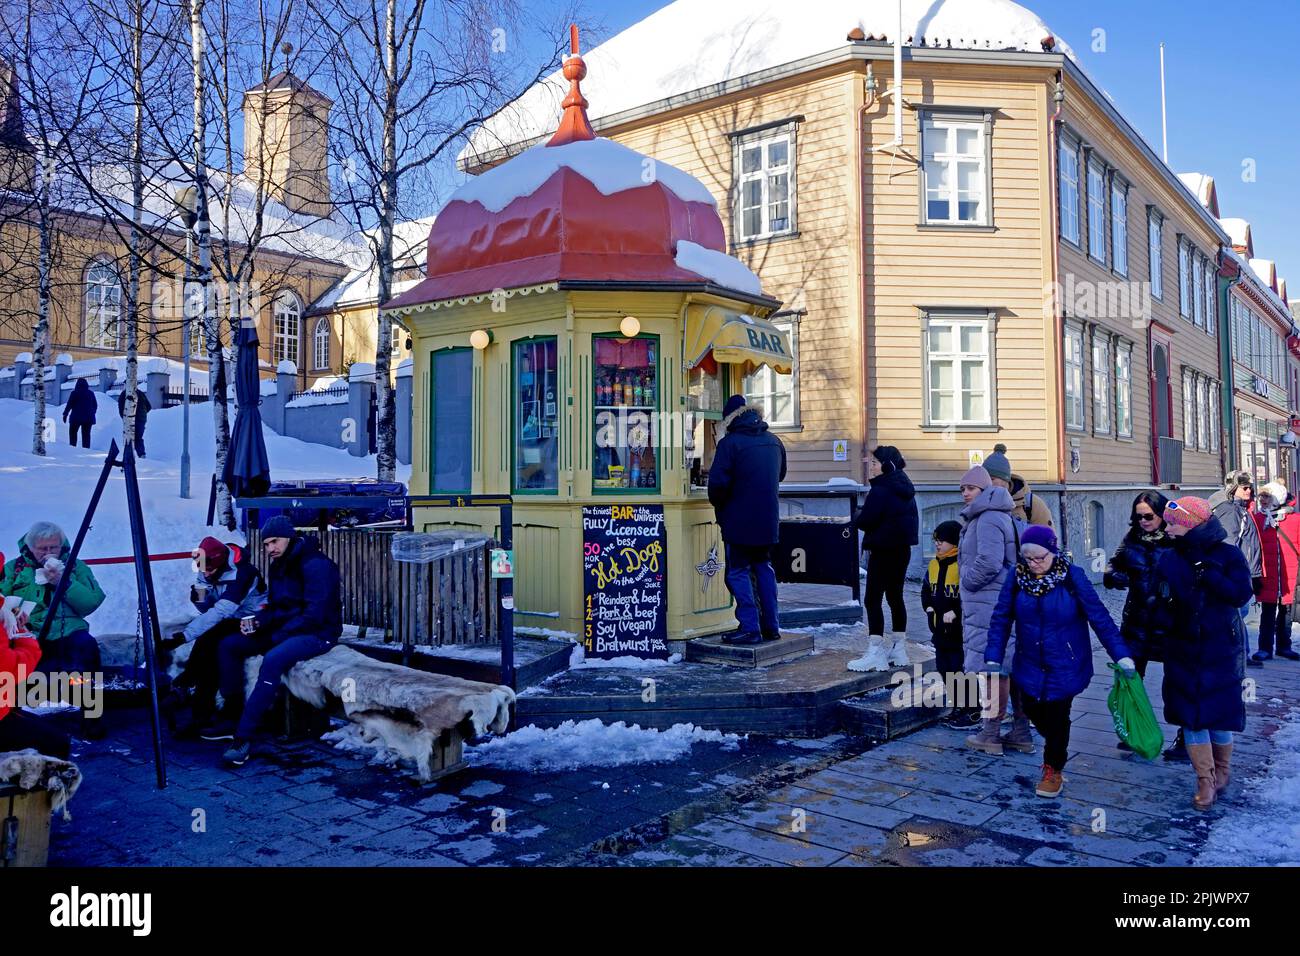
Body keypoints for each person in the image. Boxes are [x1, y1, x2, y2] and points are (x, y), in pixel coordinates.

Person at [985, 526, 1134, 798]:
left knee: (1057, 717)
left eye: (1039, 558)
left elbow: (1099, 617)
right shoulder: (1017, 579)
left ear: (1053, 552)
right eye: (1028, 559)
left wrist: (1121, 655)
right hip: (1028, 662)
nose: (1034, 564)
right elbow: (1001, 618)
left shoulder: (1072, 577)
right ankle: (1053, 748)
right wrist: (993, 656)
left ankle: (1053, 770)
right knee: (1032, 709)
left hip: (1066, 662)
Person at [205, 516, 341, 766]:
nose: (270, 549)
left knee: (273, 659)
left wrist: (277, 635)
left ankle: (243, 738)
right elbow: (278, 606)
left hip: (319, 634)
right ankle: (232, 714)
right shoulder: (280, 564)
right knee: (229, 645)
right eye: (266, 544)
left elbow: (315, 614)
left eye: (274, 542)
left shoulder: (316, 565)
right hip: (287, 630)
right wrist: (258, 621)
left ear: (289, 537)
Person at [1152, 496, 1253, 810]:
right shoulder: (1168, 557)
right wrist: (1162, 612)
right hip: (1182, 648)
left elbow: (1241, 594)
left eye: (1172, 523)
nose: (1165, 528)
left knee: (1219, 718)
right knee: (1191, 718)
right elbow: (1156, 597)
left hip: (1220, 649)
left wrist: (1207, 573)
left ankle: (1222, 771)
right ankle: (1204, 780)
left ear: (1192, 523)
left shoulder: (1228, 554)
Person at [159, 535, 267, 736]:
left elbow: (221, 611)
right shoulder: (204, 566)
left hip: (254, 621)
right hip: (226, 622)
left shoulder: (244, 573)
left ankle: (185, 685)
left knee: (212, 637)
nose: (205, 574)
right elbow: (206, 608)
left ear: (220, 563)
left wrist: (184, 636)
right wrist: (198, 599)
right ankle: (200, 715)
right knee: (209, 650)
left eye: (210, 570)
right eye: (202, 570)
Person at [956, 464, 1030, 754]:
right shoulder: (998, 515)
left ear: (984, 490)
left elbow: (989, 561)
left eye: (970, 488)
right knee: (1008, 666)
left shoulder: (986, 519)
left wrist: (967, 582)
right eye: (962, 488)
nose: (965, 493)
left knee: (992, 670)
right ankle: (1021, 732)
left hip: (987, 603)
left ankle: (990, 734)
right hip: (998, 600)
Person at [707, 393, 787, 646]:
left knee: (737, 572)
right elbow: (781, 475)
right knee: (763, 568)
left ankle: (750, 627)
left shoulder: (730, 443)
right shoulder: (774, 441)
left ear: (729, 418)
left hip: (738, 521)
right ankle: (771, 626)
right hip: (767, 519)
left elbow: (717, 486)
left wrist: (722, 506)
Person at [848, 445, 919, 671]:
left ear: (887, 466)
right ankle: (899, 649)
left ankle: (875, 651)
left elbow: (866, 520)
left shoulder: (881, 489)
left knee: (872, 599)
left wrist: (858, 514)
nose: (871, 467)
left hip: (882, 550)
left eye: (875, 463)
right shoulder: (905, 487)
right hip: (902, 550)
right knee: (895, 597)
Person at [0, 522, 104, 675]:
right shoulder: (14, 568)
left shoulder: (75, 566)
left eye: (54, 547)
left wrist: (65, 583)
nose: (48, 552)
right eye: (42, 548)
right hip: (29, 631)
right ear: (30, 547)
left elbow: (91, 602)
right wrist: (15, 614)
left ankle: (85, 694)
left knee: (86, 645)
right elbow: (2, 600)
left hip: (69, 631)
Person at [0, 570, 71, 759]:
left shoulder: (75, 568)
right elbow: (13, 669)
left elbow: (90, 601)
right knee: (57, 744)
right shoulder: (18, 570)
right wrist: (22, 632)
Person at [922, 520, 972, 727]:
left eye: (941, 541)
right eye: (936, 540)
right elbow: (926, 590)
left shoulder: (962, 565)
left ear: (954, 543)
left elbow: (969, 596)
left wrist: (956, 612)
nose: (937, 544)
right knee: (944, 669)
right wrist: (928, 607)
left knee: (958, 669)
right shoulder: (933, 564)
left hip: (958, 631)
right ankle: (957, 706)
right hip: (939, 630)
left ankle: (971, 708)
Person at [1249, 481, 1300, 663]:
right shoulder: (1258, 519)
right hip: (1268, 574)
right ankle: (1264, 648)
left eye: (1267, 496)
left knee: (1286, 613)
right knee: (1268, 612)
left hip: (1289, 574)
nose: (1262, 500)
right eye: (1261, 496)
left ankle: (1284, 647)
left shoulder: (1294, 520)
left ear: (1277, 498)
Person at [984, 444, 1052, 528]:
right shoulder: (979, 501)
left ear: (1005, 479)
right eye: (984, 478)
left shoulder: (1031, 504)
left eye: (992, 479)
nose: (987, 483)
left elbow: (1048, 537)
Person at [117, 385, 151, 458]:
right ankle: (141, 454)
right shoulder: (141, 393)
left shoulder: (124, 394)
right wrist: (142, 414)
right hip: (142, 420)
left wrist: (124, 418)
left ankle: (130, 454)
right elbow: (149, 406)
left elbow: (120, 407)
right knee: (138, 437)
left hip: (130, 419)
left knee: (130, 437)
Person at [62, 378, 97, 449]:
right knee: (86, 435)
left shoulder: (74, 393)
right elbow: (95, 405)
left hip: (76, 418)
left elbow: (69, 405)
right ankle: (86, 450)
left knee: (73, 434)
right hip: (88, 419)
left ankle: (72, 449)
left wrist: (65, 414)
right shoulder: (91, 393)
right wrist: (92, 413)